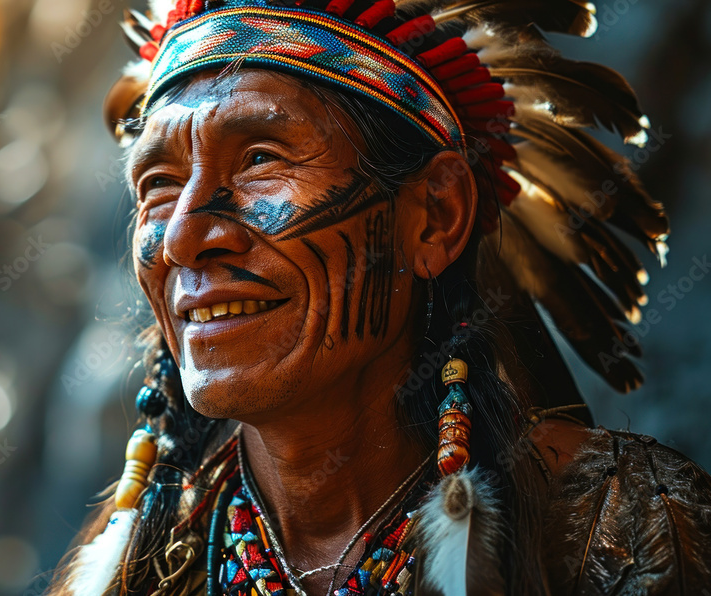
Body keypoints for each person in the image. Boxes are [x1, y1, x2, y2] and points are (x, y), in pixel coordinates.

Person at [48, 0, 711, 594]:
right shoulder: (138, 571)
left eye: (260, 160)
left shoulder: (618, 531)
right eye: (158, 183)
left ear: (435, 215)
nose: (185, 238)